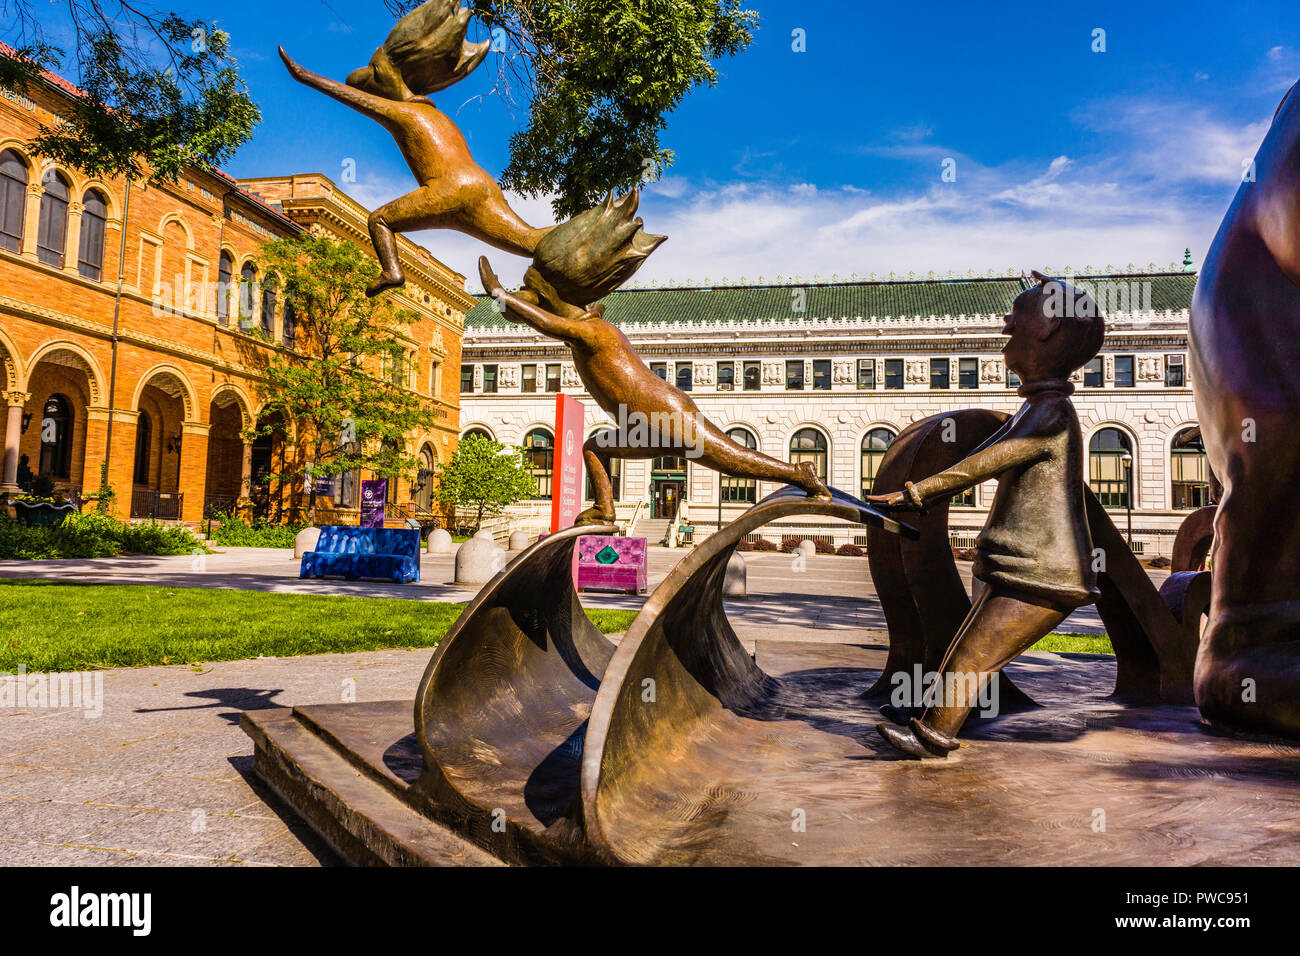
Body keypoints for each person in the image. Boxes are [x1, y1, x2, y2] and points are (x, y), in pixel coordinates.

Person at [866, 271, 1104, 758]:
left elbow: (985, 461)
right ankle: (931, 730)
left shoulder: (1052, 412)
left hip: (1044, 574)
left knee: (972, 656)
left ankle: (932, 737)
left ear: (1048, 332)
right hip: (1024, 569)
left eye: (1014, 326)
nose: (1005, 331)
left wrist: (918, 492)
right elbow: (989, 450)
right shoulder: (1038, 408)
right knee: (965, 651)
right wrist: (921, 491)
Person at [479, 257, 831, 524]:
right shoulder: (583, 331)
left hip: (666, 413)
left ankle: (799, 474)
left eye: (540, 299)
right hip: (642, 426)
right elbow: (543, 322)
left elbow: (544, 322)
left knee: (730, 458)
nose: (538, 307)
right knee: (594, 447)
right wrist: (504, 300)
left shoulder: (593, 332)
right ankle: (605, 507)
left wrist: (499, 294)